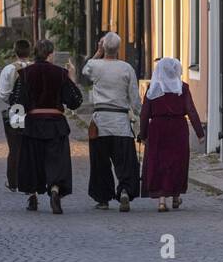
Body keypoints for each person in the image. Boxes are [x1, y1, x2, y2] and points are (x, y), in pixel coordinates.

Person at [11, 39, 82, 214]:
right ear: (51, 54)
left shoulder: (25, 74)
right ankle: (55, 189)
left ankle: (32, 196)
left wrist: (18, 127)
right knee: (56, 161)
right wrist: (72, 80)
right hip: (55, 124)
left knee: (32, 162)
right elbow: (75, 101)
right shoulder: (61, 73)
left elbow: (17, 101)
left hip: (33, 124)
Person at [82, 33, 141, 211]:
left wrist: (98, 52)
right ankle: (124, 190)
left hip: (101, 121)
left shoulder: (95, 65)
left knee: (100, 163)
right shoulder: (126, 68)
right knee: (125, 161)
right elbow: (134, 96)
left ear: (103, 47)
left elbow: (85, 70)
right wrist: (138, 113)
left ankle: (103, 198)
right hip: (120, 121)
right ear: (119, 48)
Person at [137, 57, 204, 212]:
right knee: (177, 162)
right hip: (178, 129)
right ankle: (175, 196)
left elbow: (144, 114)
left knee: (159, 161)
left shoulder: (153, 89)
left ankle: (162, 200)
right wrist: (200, 133)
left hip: (157, 129)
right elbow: (191, 110)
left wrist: (144, 134)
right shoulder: (183, 88)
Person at [0, 38, 31, 191]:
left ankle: (13, 182)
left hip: (17, 109)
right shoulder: (35, 67)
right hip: (33, 109)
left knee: (15, 147)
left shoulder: (9, 69)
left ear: (15, 51)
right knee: (31, 144)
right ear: (29, 52)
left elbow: (3, 94)